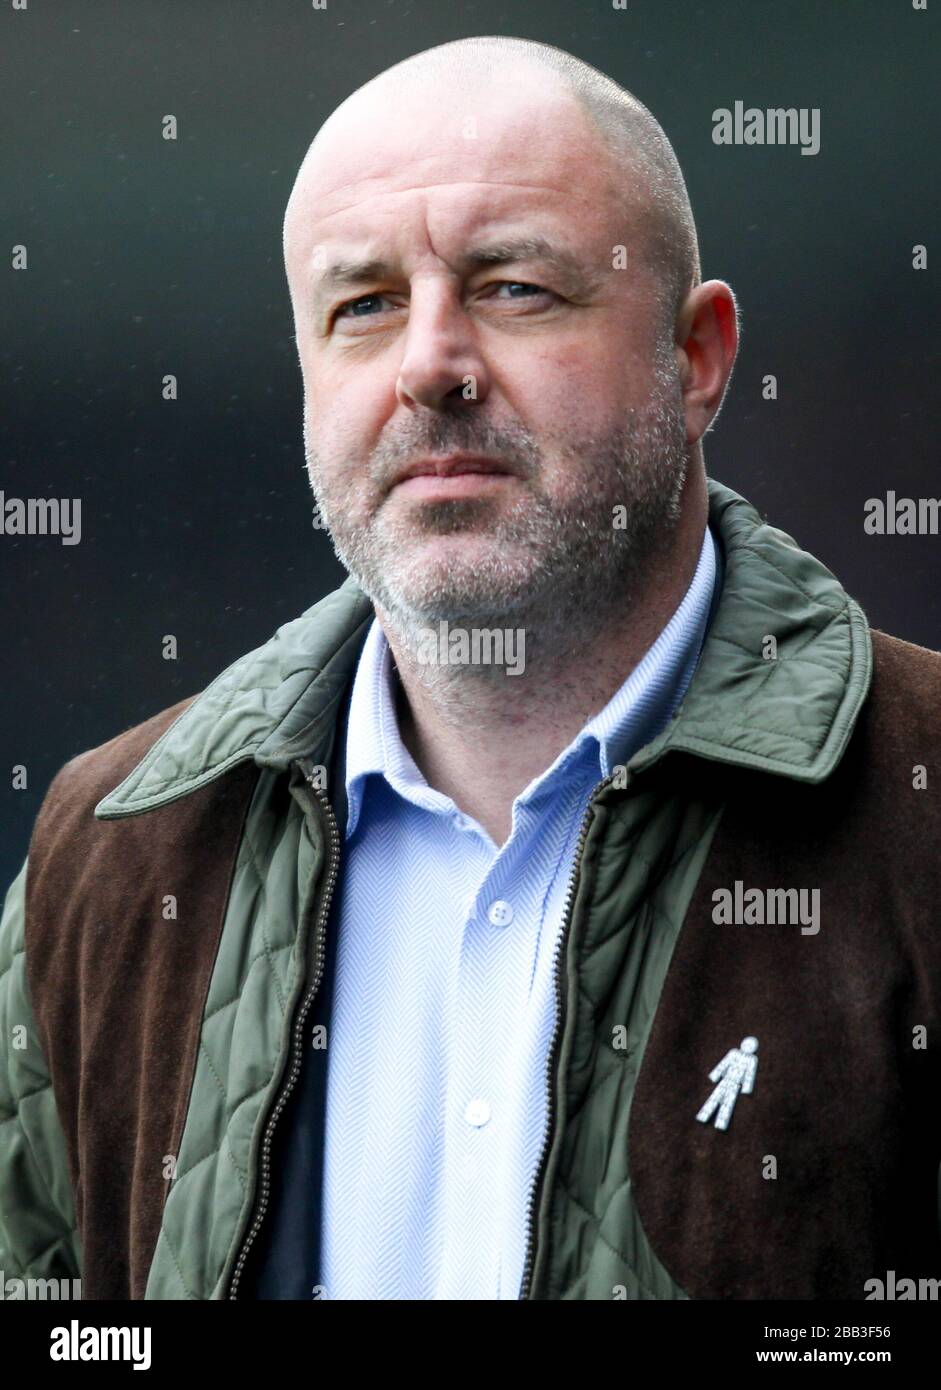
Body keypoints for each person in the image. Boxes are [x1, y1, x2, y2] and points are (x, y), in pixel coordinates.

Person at [2, 35, 940, 1303]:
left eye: (512, 288)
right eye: (364, 306)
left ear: (697, 359)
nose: (428, 365)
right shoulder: (112, 851)